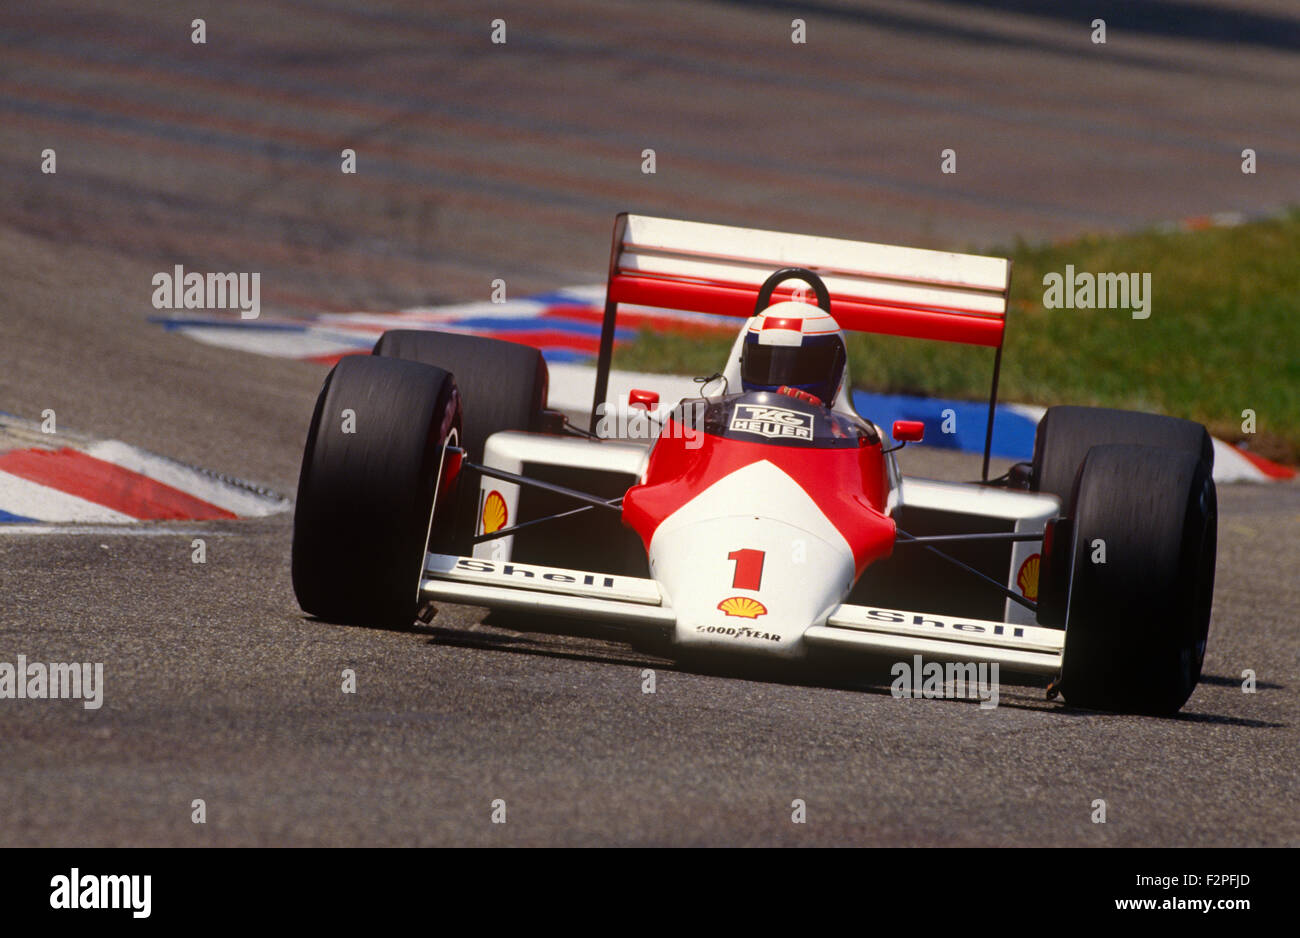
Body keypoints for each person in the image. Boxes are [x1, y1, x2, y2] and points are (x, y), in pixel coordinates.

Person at [738, 300, 847, 407]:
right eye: (762, 364)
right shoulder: (724, 414)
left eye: (802, 368)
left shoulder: (844, 424)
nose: (782, 390)